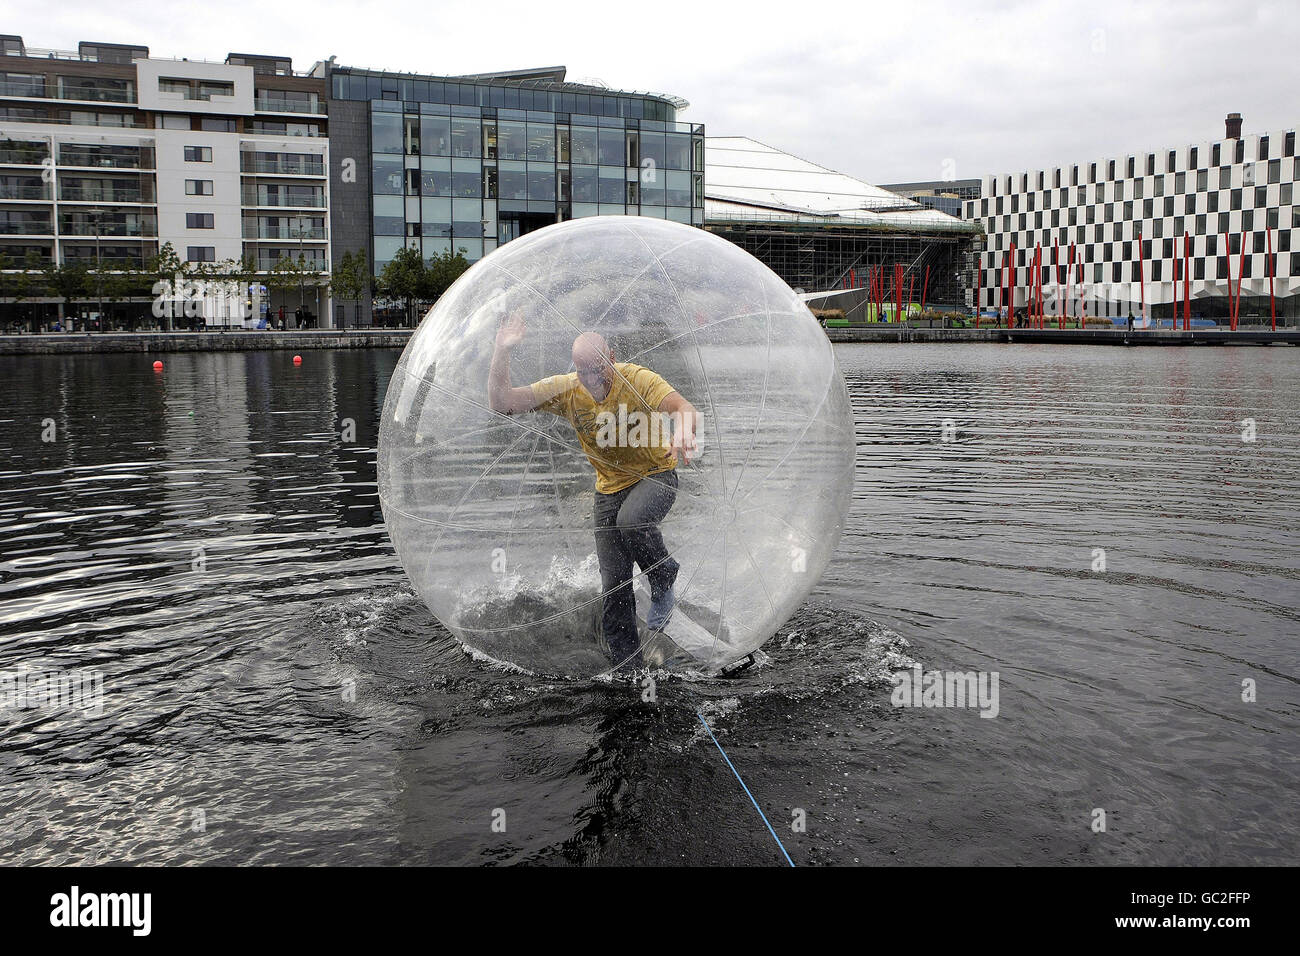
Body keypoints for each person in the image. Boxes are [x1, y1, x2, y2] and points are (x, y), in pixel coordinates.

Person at [488, 312, 699, 671]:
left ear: (612, 359)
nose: (591, 379)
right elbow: (502, 403)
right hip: (608, 491)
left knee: (632, 521)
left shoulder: (637, 380)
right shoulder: (568, 390)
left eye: (598, 369)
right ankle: (628, 669)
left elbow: (683, 407)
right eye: (583, 371)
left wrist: (682, 430)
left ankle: (663, 576)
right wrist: (501, 350)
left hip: (657, 476)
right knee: (614, 583)